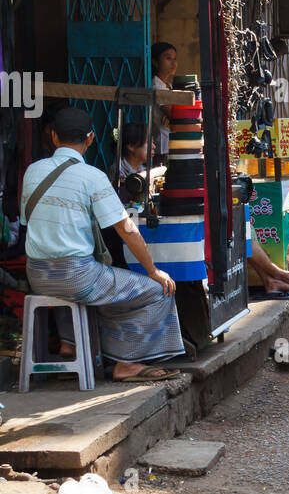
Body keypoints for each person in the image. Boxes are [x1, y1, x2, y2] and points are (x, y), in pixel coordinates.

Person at [21, 106, 184, 382]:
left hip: (37, 275)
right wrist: (153, 270)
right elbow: (127, 228)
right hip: (77, 276)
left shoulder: (32, 171)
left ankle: (70, 343)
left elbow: (28, 221)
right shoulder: (93, 177)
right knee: (156, 291)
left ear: (54, 137)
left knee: (81, 286)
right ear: (90, 139)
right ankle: (128, 363)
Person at [151, 41, 178, 158]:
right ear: (155, 62)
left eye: (175, 59)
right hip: (161, 144)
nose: (173, 63)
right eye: (168, 58)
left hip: (169, 140)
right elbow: (175, 115)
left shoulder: (168, 85)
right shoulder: (157, 86)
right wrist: (173, 118)